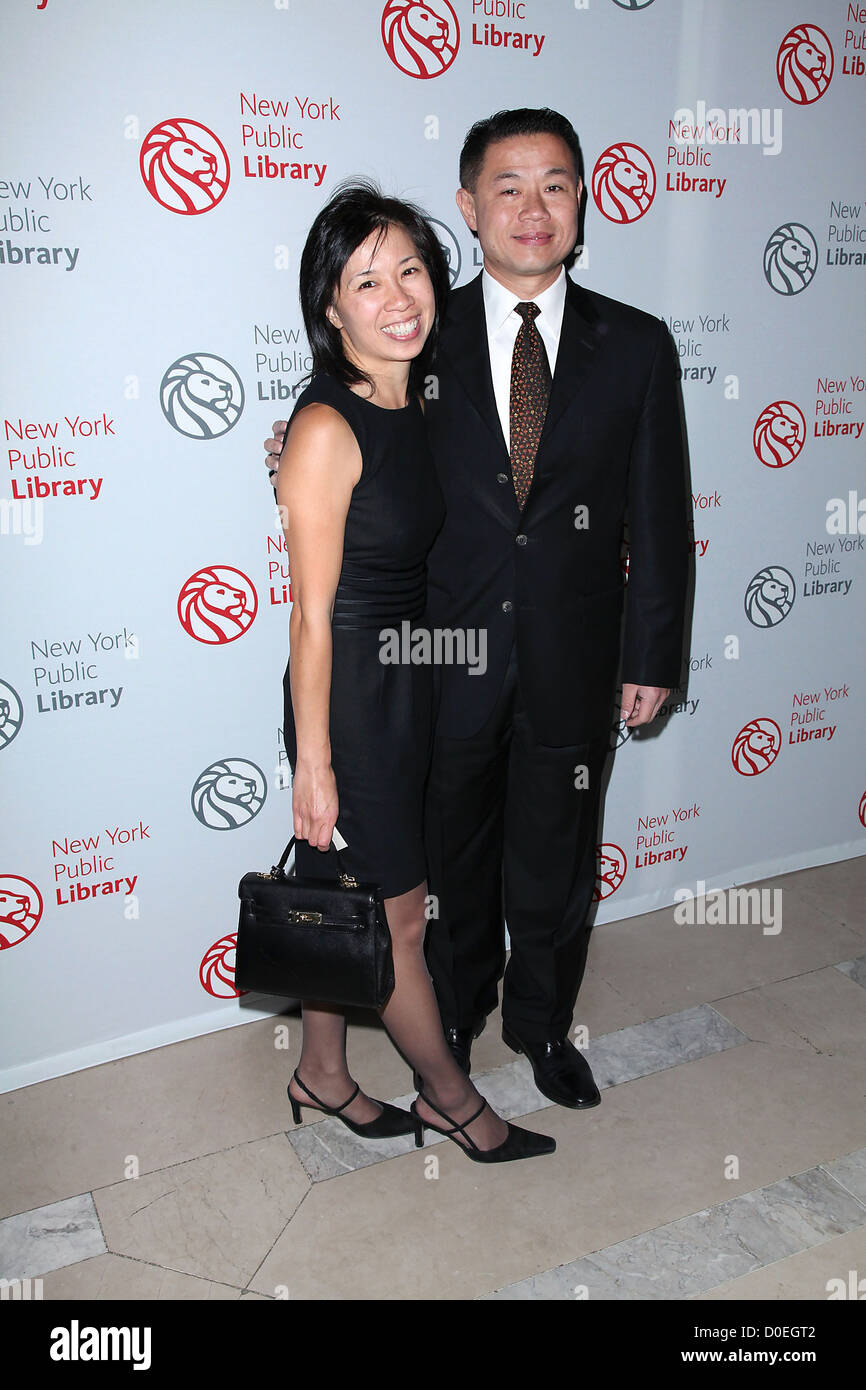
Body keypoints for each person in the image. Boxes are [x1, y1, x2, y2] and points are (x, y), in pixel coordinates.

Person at [266, 110, 689, 1113]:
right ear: (469, 205)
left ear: (581, 203)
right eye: (507, 186)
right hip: (433, 661)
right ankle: (449, 1019)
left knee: (554, 857)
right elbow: (351, 445)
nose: (531, 207)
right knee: (445, 864)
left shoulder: (632, 345)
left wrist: (652, 651)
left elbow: (658, 514)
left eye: (554, 184)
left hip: (572, 658)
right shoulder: (418, 328)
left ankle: (542, 1028)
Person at [275, 179, 555, 1163]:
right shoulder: (325, 428)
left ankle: (322, 1070)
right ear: (329, 306)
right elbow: (309, 616)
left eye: (408, 270)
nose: (396, 295)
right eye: (365, 280)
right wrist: (314, 763)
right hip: (350, 695)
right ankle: (449, 1099)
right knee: (393, 918)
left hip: (409, 672)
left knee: (336, 892)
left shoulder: (418, 394)